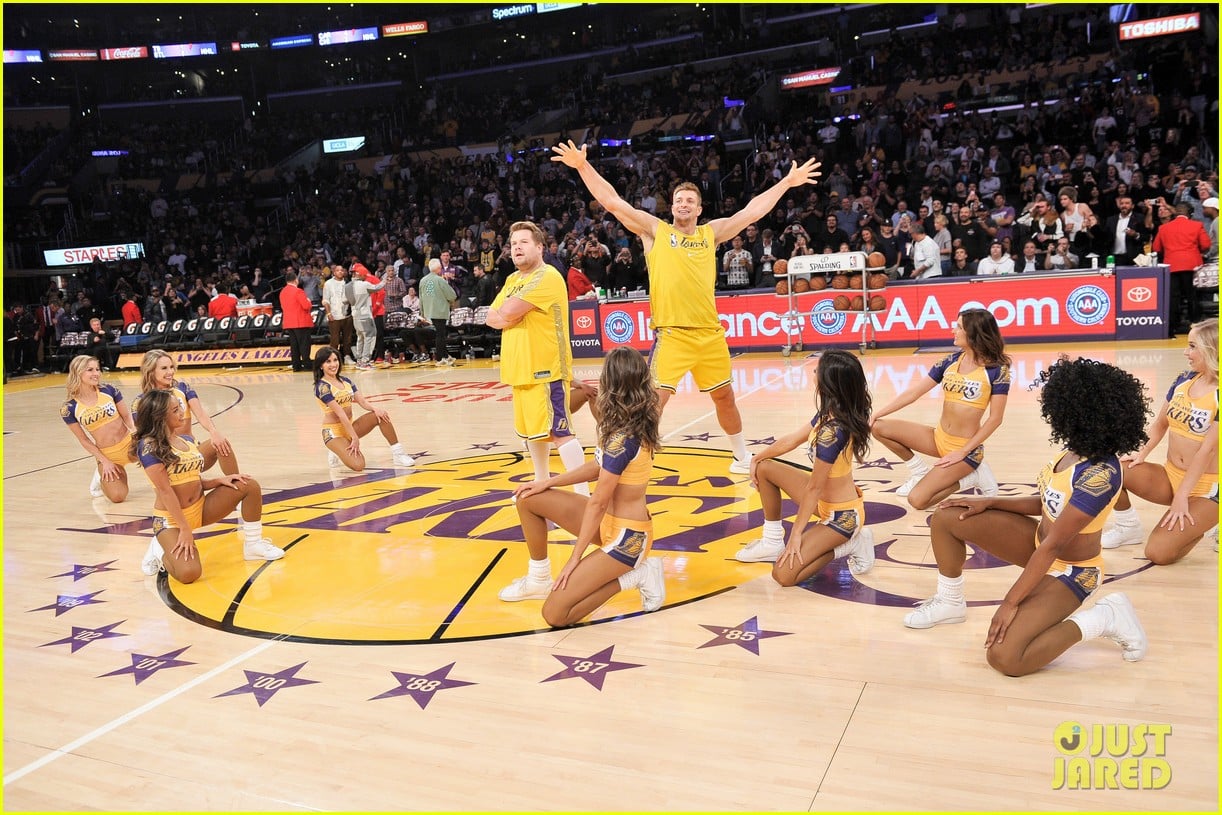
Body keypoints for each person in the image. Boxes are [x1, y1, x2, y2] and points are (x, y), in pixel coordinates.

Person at [552, 139, 820, 474]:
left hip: (710, 335)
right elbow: (612, 202)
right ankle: (622, 452)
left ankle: (741, 456)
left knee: (724, 398)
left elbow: (751, 212)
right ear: (672, 206)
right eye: (678, 199)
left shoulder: (711, 234)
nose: (683, 203)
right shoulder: (656, 231)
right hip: (673, 335)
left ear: (698, 209)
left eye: (689, 200)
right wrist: (582, 165)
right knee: (653, 402)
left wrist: (787, 182)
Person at [905, 357, 1151, 677]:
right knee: (949, 515)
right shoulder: (1075, 450)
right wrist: (990, 502)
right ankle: (950, 602)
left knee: (1006, 658)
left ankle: (1105, 618)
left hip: (1072, 571)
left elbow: (1054, 545)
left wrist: (1010, 603)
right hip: (1039, 545)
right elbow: (1048, 504)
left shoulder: (1100, 475)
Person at [506, 348, 666, 622]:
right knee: (529, 499)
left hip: (628, 539)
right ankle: (538, 578)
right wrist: (547, 482)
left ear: (609, 382)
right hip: (609, 524)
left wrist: (574, 558)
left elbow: (598, 503)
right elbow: (599, 466)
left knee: (555, 615)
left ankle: (638, 575)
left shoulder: (623, 438)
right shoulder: (629, 420)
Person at [486, 221, 592, 601]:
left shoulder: (547, 277)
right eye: (512, 243)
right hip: (520, 372)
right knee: (535, 436)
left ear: (540, 247)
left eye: (523, 242)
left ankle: (584, 501)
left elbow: (508, 313)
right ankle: (544, 496)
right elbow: (493, 315)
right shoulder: (513, 279)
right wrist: (505, 314)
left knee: (560, 433)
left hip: (546, 370)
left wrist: (507, 314)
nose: (516, 248)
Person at [734, 350, 877, 583]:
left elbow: (814, 488)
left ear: (829, 382)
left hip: (842, 517)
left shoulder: (832, 433)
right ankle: (771, 541)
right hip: (824, 502)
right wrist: (756, 457)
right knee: (765, 468)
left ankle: (852, 544)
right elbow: (792, 440)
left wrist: (796, 534)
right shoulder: (830, 412)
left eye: (817, 370)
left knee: (784, 576)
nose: (813, 372)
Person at [131, 389, 284, 582]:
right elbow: (165, 491)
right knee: (189, 573)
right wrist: (184, 529)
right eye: (175, 410)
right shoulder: (148, 447)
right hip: (171, 520)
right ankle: (159, 551)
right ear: (160, 416)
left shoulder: (185, 440)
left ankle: (253, 545)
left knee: (247, 485)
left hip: (200, 509)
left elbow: (190, 480)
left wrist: (219, 481)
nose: (182, 413)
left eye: (180, 408)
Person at [1102, 319, 1218, 561]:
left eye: (1192, 346)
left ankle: (1210, 520)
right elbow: (1160, 424)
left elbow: (1206, 451)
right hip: (1171, 474)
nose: (1185, 352)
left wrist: (1182, 497)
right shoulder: (1184, 380)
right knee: (1112, 469)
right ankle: (1128, 527)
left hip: (1208, 487)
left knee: (1158, 554)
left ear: (1212, 349)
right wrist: (1141, 453)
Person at [871, 308, 1009, 509]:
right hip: (938, 438)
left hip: (967, 450)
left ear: (974, 332)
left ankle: (972, 477)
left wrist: (963, 452)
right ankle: (918, 471)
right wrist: (877, 413)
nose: (953, 330)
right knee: (878, 427)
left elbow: (995, 419)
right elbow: (914, 393)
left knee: (918, 500)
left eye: (959, 327)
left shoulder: (996, 370)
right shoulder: (950, 361)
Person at [135, 350, 240, 476]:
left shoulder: (182, 388)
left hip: (191, 450)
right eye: (164, 368)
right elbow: (144, 437)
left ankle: (237, 482)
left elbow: (200, 414)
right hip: (168, 457)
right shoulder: (142, 401)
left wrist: (214, 432)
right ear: (151, 371)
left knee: (221, 443)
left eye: (171, 367)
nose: (170, 372)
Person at [312, 346, 415, 471]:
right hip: (333, 433)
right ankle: (336, 449)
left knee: (380, 415)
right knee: (358, 465)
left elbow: (362, 401)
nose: (333, 364)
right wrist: (355, 437)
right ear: (321, 365)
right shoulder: (322, 387)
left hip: (349, 427)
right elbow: (341, 414)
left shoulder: (346, 381)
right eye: (328, 361)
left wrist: (375, 409)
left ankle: (398, 453)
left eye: (335, 360)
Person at [61, 355, 136, 502]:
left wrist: (135, 432)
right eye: (90, 370)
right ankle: (100, 476)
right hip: (107, 454)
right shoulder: (69, 408)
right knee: (118, 497)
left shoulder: (108, 390)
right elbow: (84, 440)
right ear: (78, 372)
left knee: (158, 457)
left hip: (129, 444)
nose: (96, 373)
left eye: (97, 369)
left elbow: (127, 416)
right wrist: (105, 461)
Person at [1152, 202, 1211, 336]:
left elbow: (1156, 248)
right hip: (1192, 266)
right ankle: (1196, 325)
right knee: (1192, 296)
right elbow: (1206, 245)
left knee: (1173, 298)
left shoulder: (1163, 227)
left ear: (1176, 212)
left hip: (1172, 266)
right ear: (1189, 213)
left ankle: (1171, 329)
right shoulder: (1197, 225)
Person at [348, 261, 387, 370]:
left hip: (356, 315)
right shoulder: (364, 284)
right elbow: (379, 288)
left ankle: (360, 360)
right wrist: (385, 280)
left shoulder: (348, 286)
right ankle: (365, 361)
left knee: (361, 337)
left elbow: (344, 301)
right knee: (370, 336)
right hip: (366, 315)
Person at [419, 258, 458, 365]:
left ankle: (445, 355)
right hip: (439, 310)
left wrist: (422, 312)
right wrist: (451, 300)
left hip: (428, 311)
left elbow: (421, 298)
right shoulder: (440, 280)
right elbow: (451, 295)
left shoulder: (423, 280)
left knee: (440, 334)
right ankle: (440, 358)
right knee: (440, 335)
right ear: (438, 268)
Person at [279, 269, 314, 372]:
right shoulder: (298, 291)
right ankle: (307, 364)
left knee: (294, 345)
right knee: (304, 344)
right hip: (300, 321)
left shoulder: (282, 292)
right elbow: (306, 306)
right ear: (296, 280)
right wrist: (309, 301)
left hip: (289, 322)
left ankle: (296, 365)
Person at [322, 264, 355, 363]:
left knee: (348, 338)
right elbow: (325, 300)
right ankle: (334, 358)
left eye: (342, 270)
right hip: (334, 315)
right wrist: (328, 313)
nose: (340, 272)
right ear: (334, 272)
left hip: (347, 314)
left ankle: (347, 356)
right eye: (338, 270)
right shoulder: (328, 283)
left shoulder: (348, 283)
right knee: (334, 339)